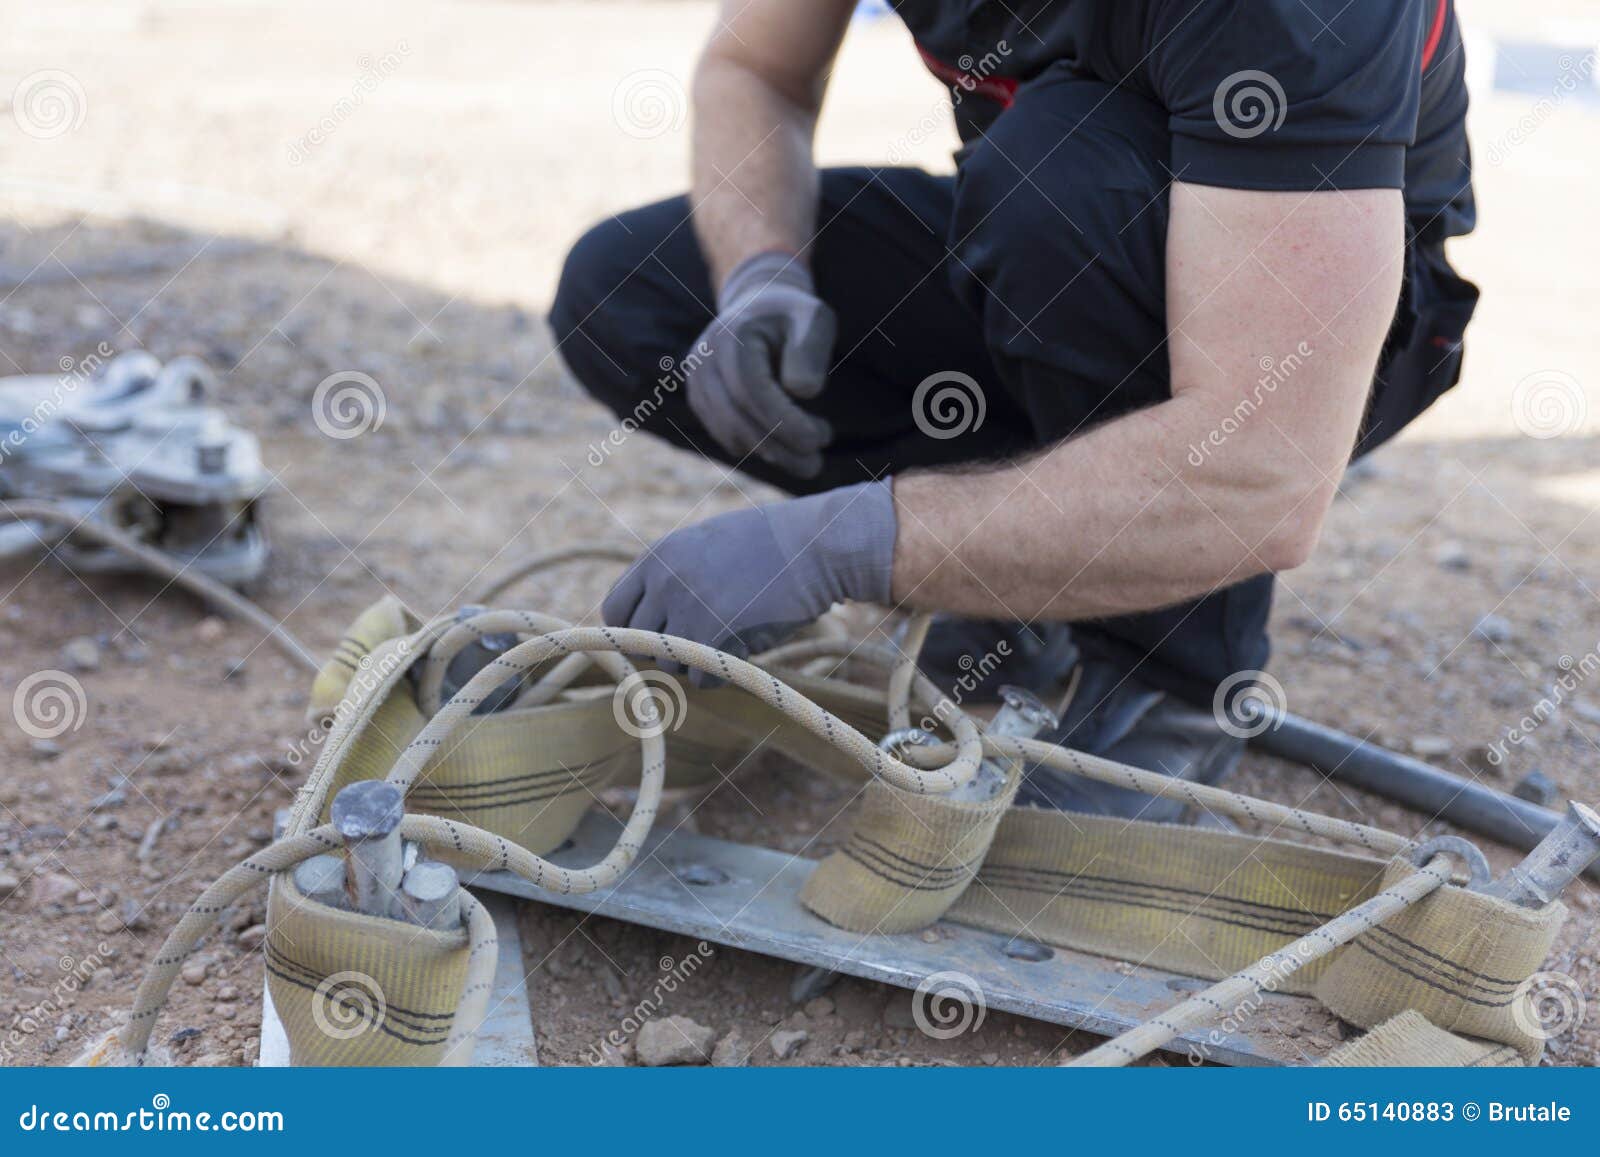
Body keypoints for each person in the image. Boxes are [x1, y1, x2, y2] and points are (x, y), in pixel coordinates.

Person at [550, 0, 1478, 819]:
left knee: (1050, 185)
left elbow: (1264, 473)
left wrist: (840, 542)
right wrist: (762, 275)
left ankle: (1173, 679)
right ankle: (1023, 568)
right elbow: (755, 67)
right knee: (627, 296)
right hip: (1057, 241)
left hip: (1302, 333)